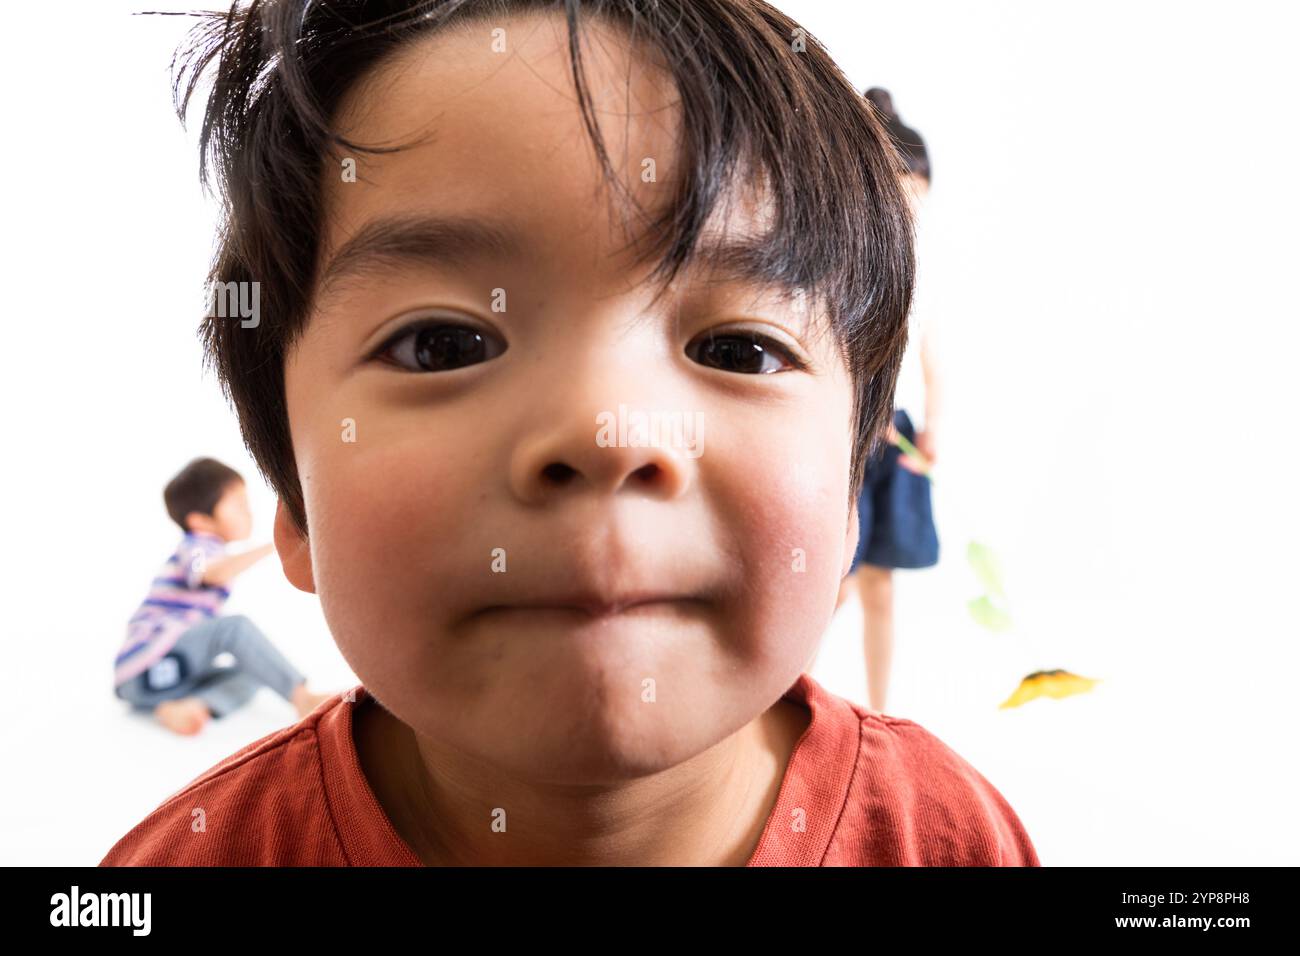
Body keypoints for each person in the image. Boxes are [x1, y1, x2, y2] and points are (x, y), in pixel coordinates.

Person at [101, 0, 1037, 866]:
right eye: (442, 345)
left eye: (742, 349)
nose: (606, 431)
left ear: (846, 509)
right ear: (295, 510)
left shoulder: (947, 839)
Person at [829, 87, 944, 715]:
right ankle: (790, 698)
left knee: (881, 585)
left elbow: (930, 356)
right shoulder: (848, 264)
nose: (913, 205)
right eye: (903, 188)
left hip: (896, 435)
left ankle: (881, 708)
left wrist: (934, 429)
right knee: (835, 582)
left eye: (920, 192)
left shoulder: (920, 273)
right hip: (851, 436)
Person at [113, 457, 334, 734]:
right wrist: (274, 546)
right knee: (235, 628)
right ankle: (302, 698)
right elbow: (208, 571)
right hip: (149, 660)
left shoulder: (207, 548)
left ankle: (183, 707)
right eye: (239, 506)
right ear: (201, 520)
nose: (248, 514)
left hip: (152, 683)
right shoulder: (195, 547)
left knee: (255, 671)